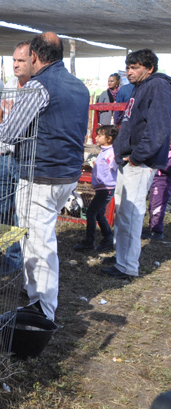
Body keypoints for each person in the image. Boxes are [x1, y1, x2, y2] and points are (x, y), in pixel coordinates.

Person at [0, 32, 90, 322]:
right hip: (67, 174)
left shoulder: (37, 87)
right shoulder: (79, 86)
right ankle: (33, 291)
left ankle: (42, 309)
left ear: (35, 56)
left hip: (41, 175)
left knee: (39, 243)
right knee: (39, 236)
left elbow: (8, 132)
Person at [103, 49, 171, 279]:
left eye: (135, 67)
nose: (129, 72)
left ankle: (128, 266)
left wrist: (137, 156)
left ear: (149, 68)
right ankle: (122, 256)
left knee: (131, 215)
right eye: (128, 67)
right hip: (130, 161)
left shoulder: (158, 86)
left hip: (139, 163)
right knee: (123, 211)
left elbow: (158, 128)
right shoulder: (142, 86)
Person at [0, 41, 32, 276]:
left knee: (19, 212)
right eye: (14, 60)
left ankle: (14, 258)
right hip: (4, 156)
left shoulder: (36, 89)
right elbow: (0, 118)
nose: (16, 65)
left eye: (21, 60)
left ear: (33, 60)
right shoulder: (9, 87)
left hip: (25, 158)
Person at [74, 125, 118, 252]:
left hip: (106, 188)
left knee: (91, 213)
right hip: (102, 188)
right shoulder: (104, 151)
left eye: (100, 135)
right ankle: (108, 238)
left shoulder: (111, 153)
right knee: (98, 213)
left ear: (109, 138)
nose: (96, 137)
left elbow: (115, 166)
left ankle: (90, 242)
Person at [147, 144, 171, 240]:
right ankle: (152, 227)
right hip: (155, 180)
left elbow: (167, 167)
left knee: (157, 207)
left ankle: (157, 231)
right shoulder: (165, 150)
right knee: (152, 205)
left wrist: (157, 162)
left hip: (163, 182)